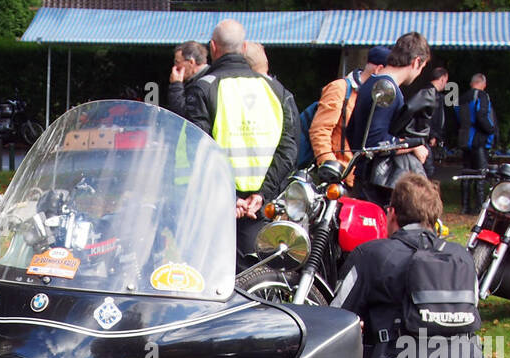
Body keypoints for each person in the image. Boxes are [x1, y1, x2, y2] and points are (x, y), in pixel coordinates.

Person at [332, 173, 491, 358]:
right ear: (434, 215)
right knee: (453, 338)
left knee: (343, 339)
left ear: (391, 212)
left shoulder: (371, 254)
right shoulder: (461, 257)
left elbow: (337, 314)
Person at [184, 18, 298, 258]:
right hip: (262, 207)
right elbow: (288, 148)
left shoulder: (204, 87)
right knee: (255, 278)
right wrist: (261, 195)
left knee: (212, 275)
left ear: (213, 48)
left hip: (218, 205)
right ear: (244, 47)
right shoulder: (276, 90)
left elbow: (199, 149)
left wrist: (231, 197)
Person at [345, 32, 431, 206]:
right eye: (422, 68)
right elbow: (374, 143)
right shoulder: (386, 89)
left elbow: (352, 131)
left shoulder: (372, 82)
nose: (419, 74)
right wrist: (413, 146)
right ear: (416, 62)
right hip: (375, 186)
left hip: (364, 179)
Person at [307, 46, 388, 174]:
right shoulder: (340, 88)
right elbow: (319, 130)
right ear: (379, 69)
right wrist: (329, 165)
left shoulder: (379, 97)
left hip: (364, 176)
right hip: (339, 175)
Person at [456, 73, 497, 213]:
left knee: (466, 174)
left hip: (464, 139)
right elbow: (482, 115)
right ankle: (479, 207)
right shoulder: (482, 96)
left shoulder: (461, 98)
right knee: (481, 174)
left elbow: (458, 118)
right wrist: (491, 130)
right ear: (483, 84)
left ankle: (465, 207)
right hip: (478, 140)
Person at [165, 40, 207, 117]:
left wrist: (176, 86)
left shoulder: (202, 84)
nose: (175, 67)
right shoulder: (196, 80)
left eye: (177, 62)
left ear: (191, 62)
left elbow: (182, 115)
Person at [422, 67, 449, 178]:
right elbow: (428, 117)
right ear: (442, 79)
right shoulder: (431, 95)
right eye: (446, 81)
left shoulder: (427, 92)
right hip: (428, 137)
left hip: (428, 135)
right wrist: (432, 135)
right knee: (428, 170)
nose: (446, 84)